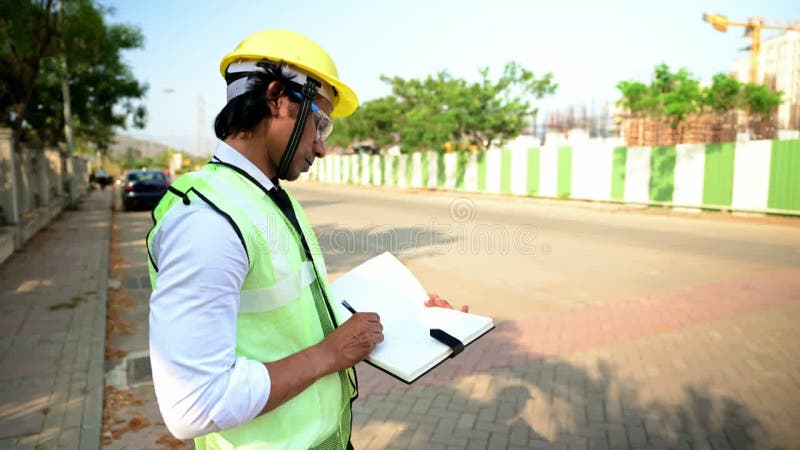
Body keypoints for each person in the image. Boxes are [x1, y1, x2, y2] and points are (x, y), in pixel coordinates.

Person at [146, 30, 464, 450]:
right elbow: (192, 405)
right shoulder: (207, 223)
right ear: (277, 98)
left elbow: (290, 311)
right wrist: (330, 354)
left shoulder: (265, 196)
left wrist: (407, 318)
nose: (321, 146)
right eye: (321, 122)